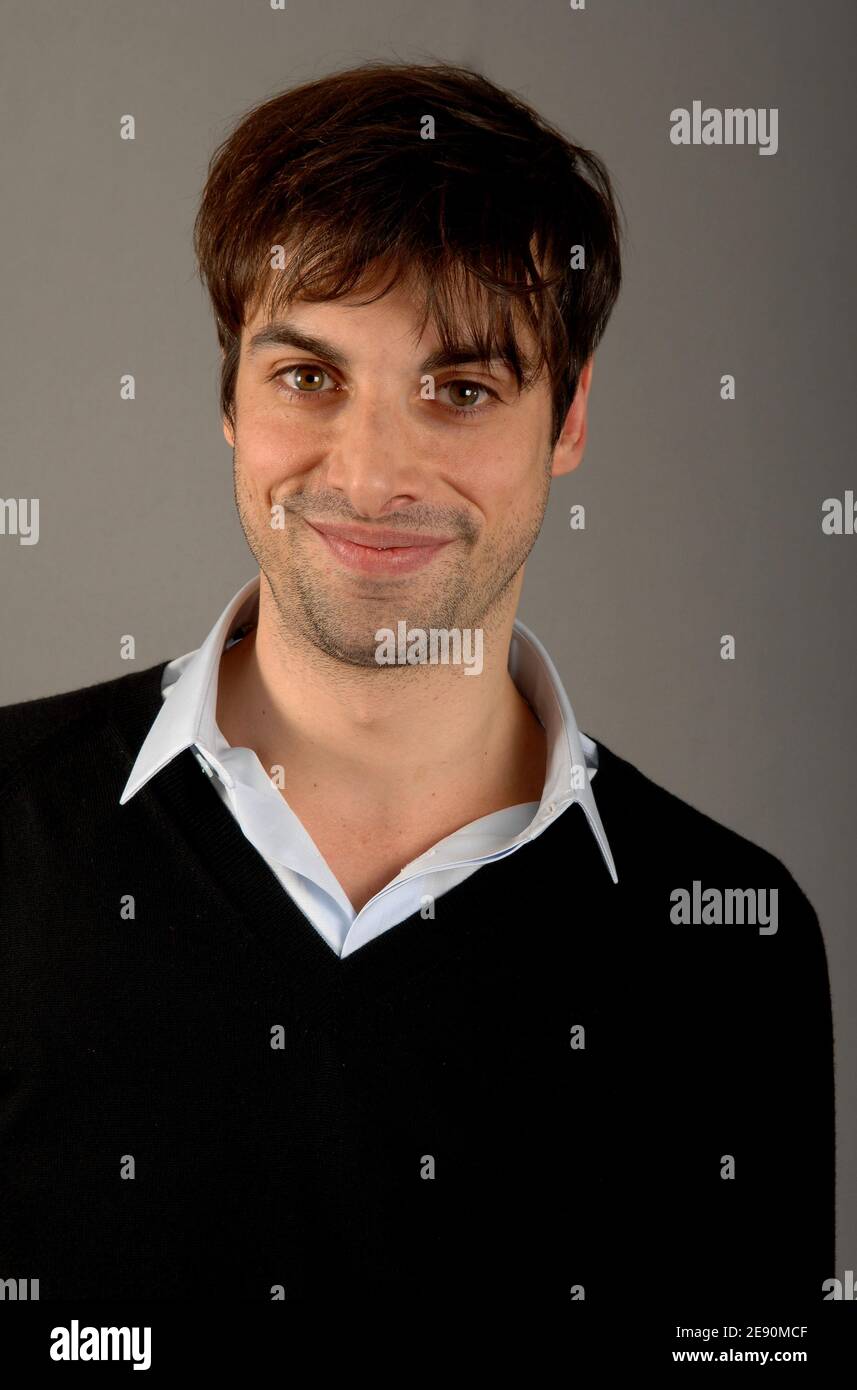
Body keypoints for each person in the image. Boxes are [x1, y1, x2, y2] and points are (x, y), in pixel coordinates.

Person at [0, 62, 834, 1315]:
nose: (373, 470)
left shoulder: (729, 944)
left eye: (458, 390)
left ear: (566, 417)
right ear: (229, 397)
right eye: (307, 376)